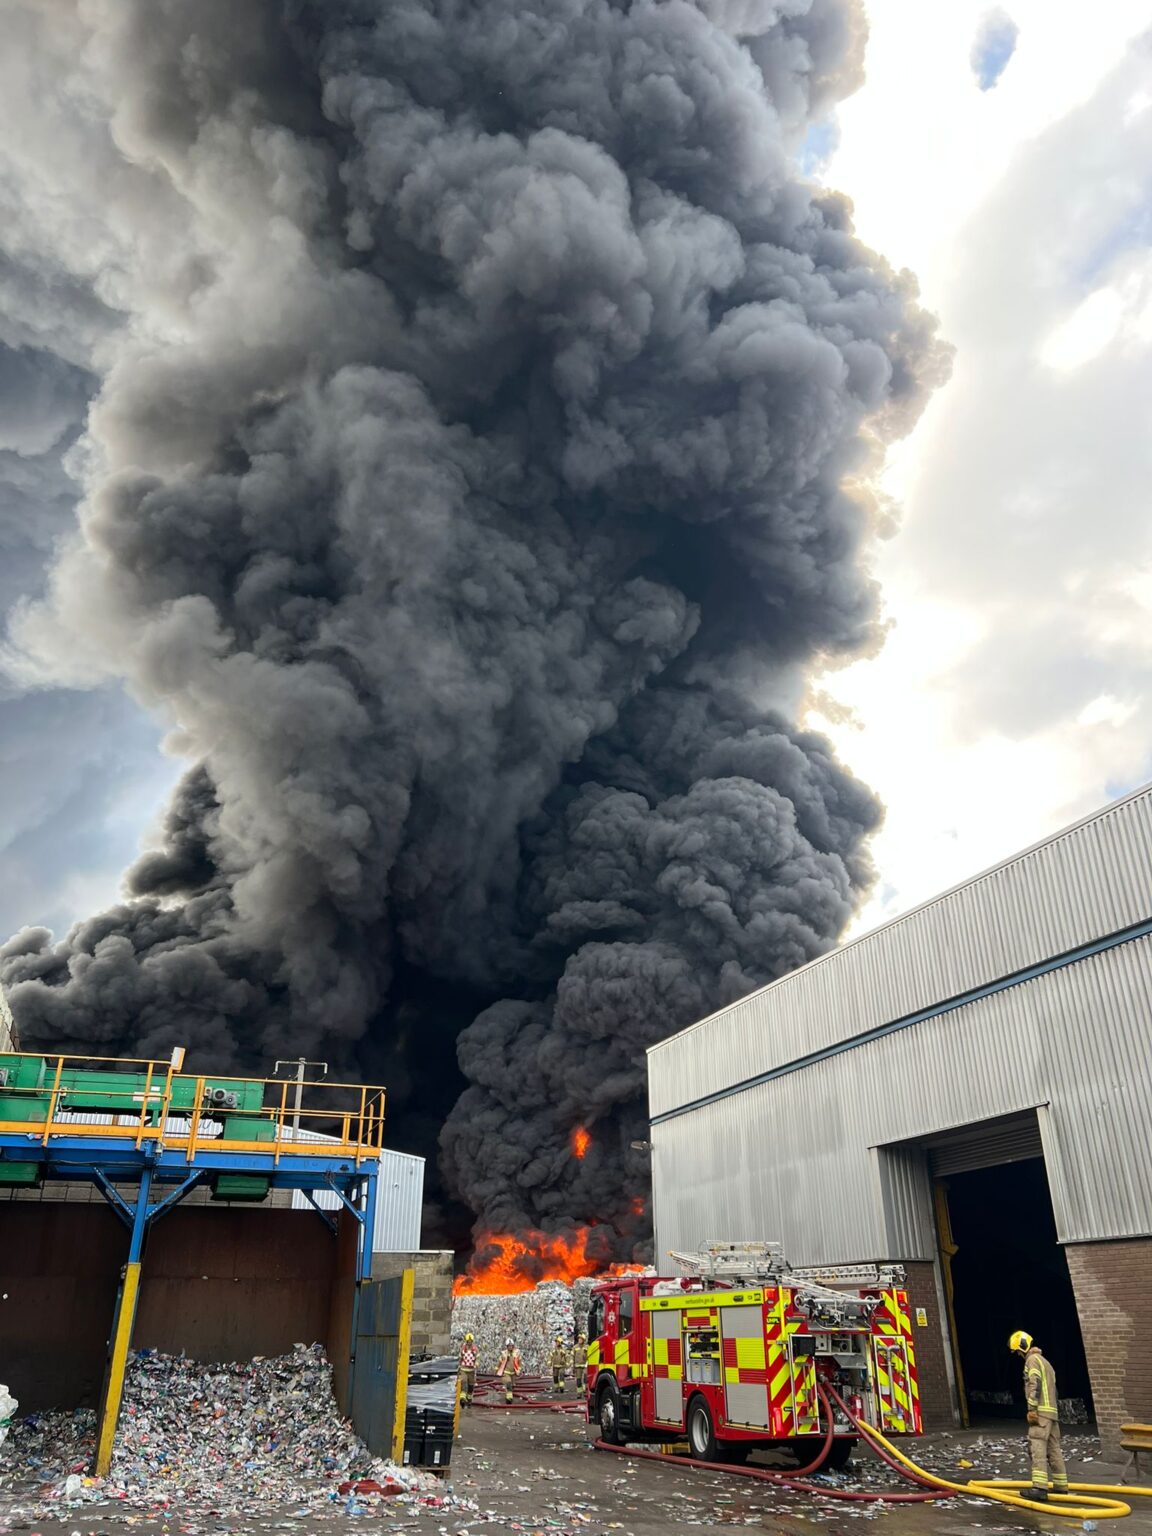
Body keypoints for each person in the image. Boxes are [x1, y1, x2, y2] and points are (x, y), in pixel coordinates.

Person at [1009, 1330, 1068, 1502]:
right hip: (1051, 1412)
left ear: (1023, 1346)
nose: (1019, 1355)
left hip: (1040, 1412)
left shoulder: (1032, 1360)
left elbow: (1035, 1383)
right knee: (1054, 1448)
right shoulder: (1046, 1362)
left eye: (1018, 1351)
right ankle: (1061, 1486)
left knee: (1038, 1448)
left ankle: (1039, 1487)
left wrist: (1031, 1407)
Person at [496, 1337, 522, 1405]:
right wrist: (496, 1369)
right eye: (509, 1346)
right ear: (507, 1346)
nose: (510, 1347)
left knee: (512, 1385)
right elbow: (499, 1362)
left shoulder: (516, 1353)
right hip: (506, 1372)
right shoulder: (504, 1353)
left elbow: (519, 1362)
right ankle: (509, 1399)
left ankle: (509, 1396)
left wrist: (519, 1369)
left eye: (511, 1346)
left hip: (513, 1372)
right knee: (508, 1383)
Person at [459, 1331, 478, 1407]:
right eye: (468, 1341)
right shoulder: (463, 1349)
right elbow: (460, 1357)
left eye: (470, 1341)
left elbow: (478, 1358)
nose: (469, 1343)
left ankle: (469, 1400)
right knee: (463, 1383)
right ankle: (462, 1400)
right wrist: (459, 1366)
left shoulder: (475, 1349)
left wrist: (476, 1364)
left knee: (471, 1386)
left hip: (471, 1370)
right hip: (464, 1369)